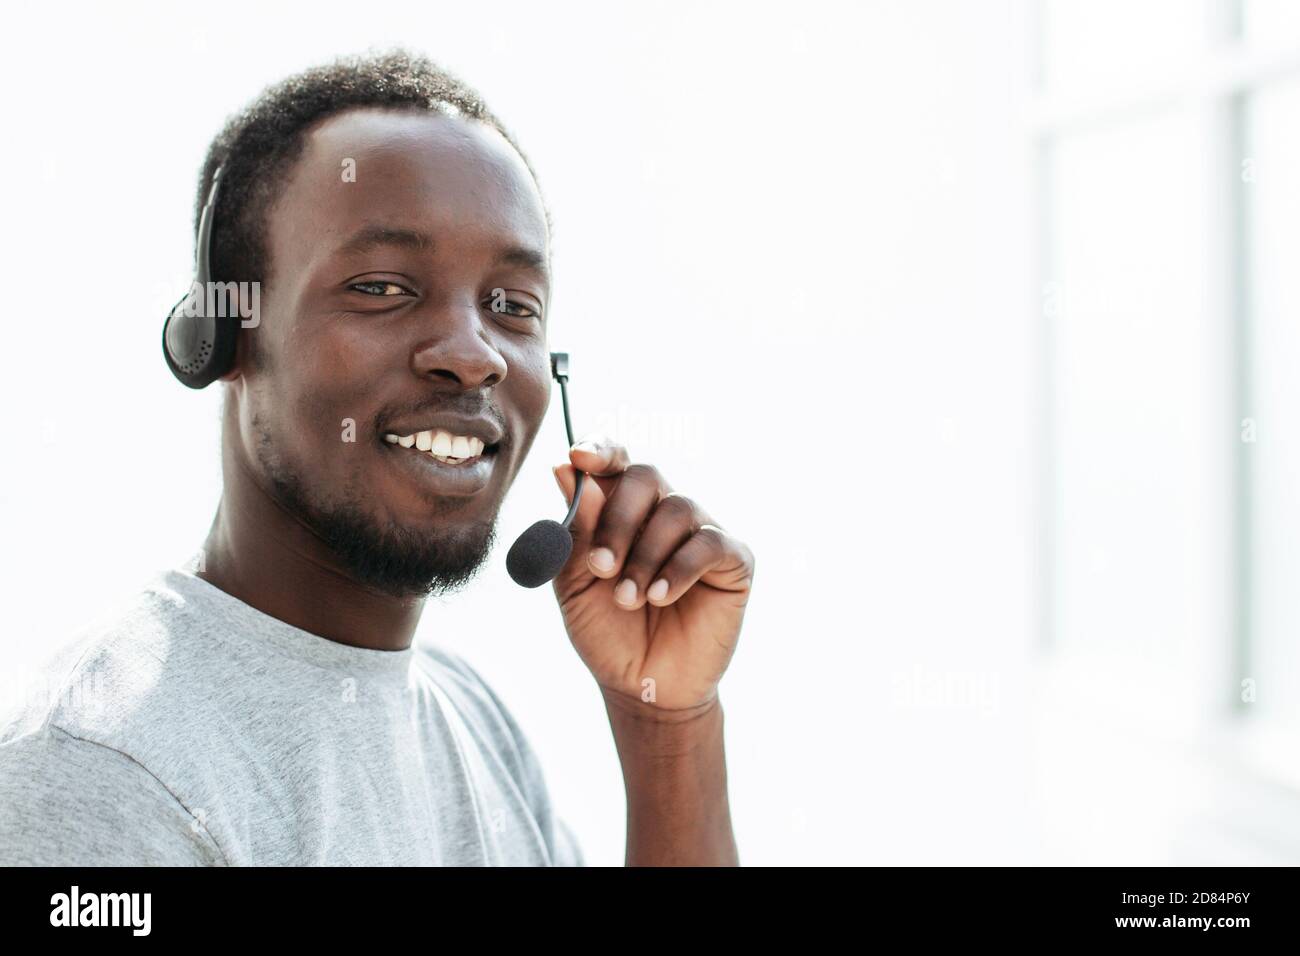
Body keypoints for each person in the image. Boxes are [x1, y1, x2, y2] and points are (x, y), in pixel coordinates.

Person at [0, 50, 755, 866]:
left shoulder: (475, 724)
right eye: (382, 287)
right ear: (222, 336)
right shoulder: (104, 776)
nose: (474, 354)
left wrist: (667, 728)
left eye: (512, 306)